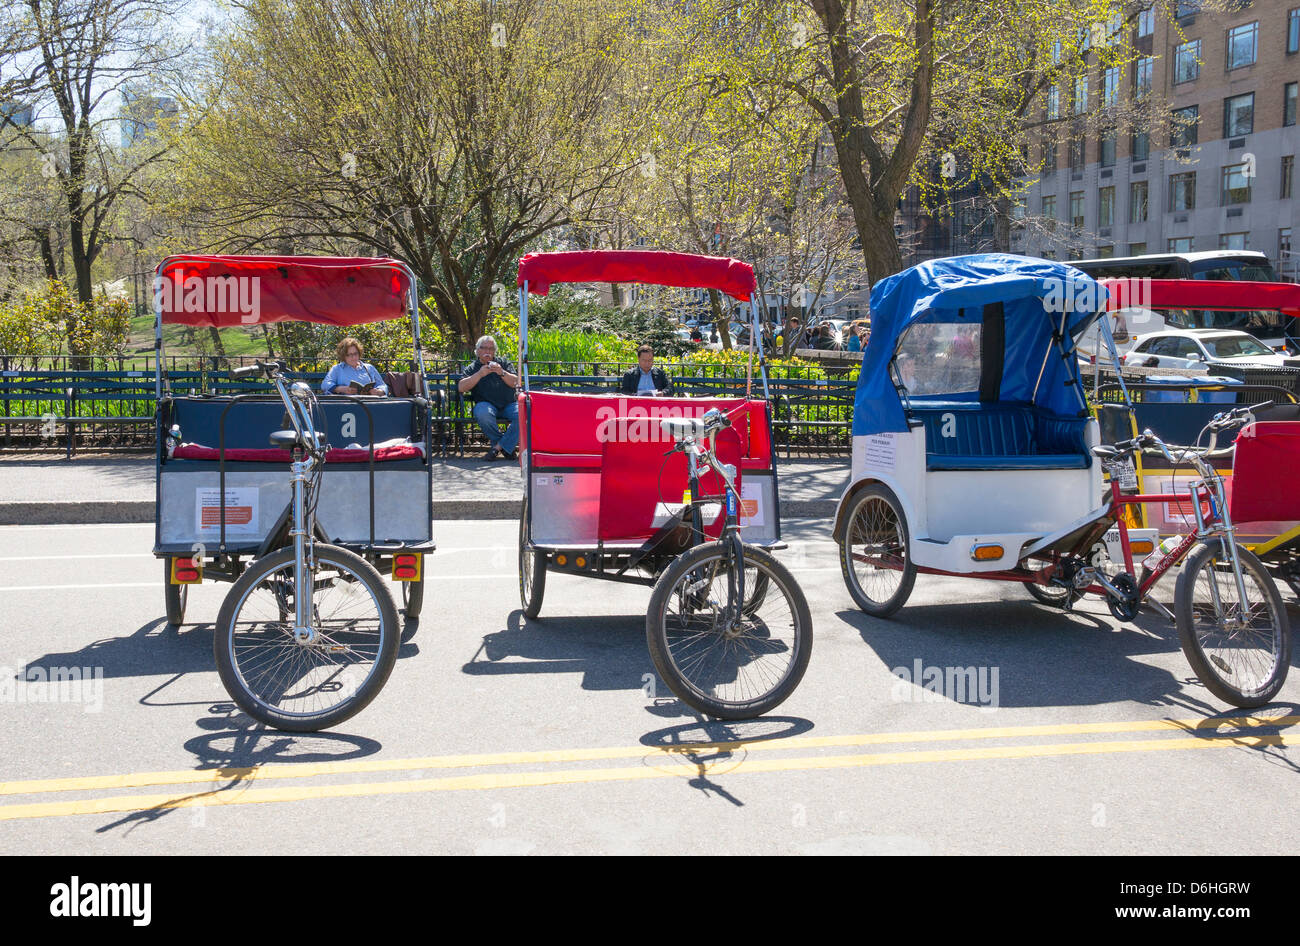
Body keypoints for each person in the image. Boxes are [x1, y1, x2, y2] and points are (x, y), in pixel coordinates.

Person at [458, 335, 520, 460]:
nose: (487, 351)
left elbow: (517, 383)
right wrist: (479, 374)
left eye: (491, 349)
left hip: (509, 404)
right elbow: (461, 387)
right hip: (486, 405)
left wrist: (501, 372)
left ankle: (496, 448)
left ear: (495, 351)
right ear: (478, 351)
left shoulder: (503, 363)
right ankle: (505, 447)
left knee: (524, 414)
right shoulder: (473, 367)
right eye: (484, 348)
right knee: (483, 414)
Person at [322, 337, 388, 395]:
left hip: (368, 403)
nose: (353, 357)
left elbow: (382, 385)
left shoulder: (369, 368)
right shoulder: (337, 369)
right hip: (347, 404)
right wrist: (340, 389)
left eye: (355, 353)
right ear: (343, 356)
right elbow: (325, 385)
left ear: (359, 353)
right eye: (349, 354)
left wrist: (379, 391)